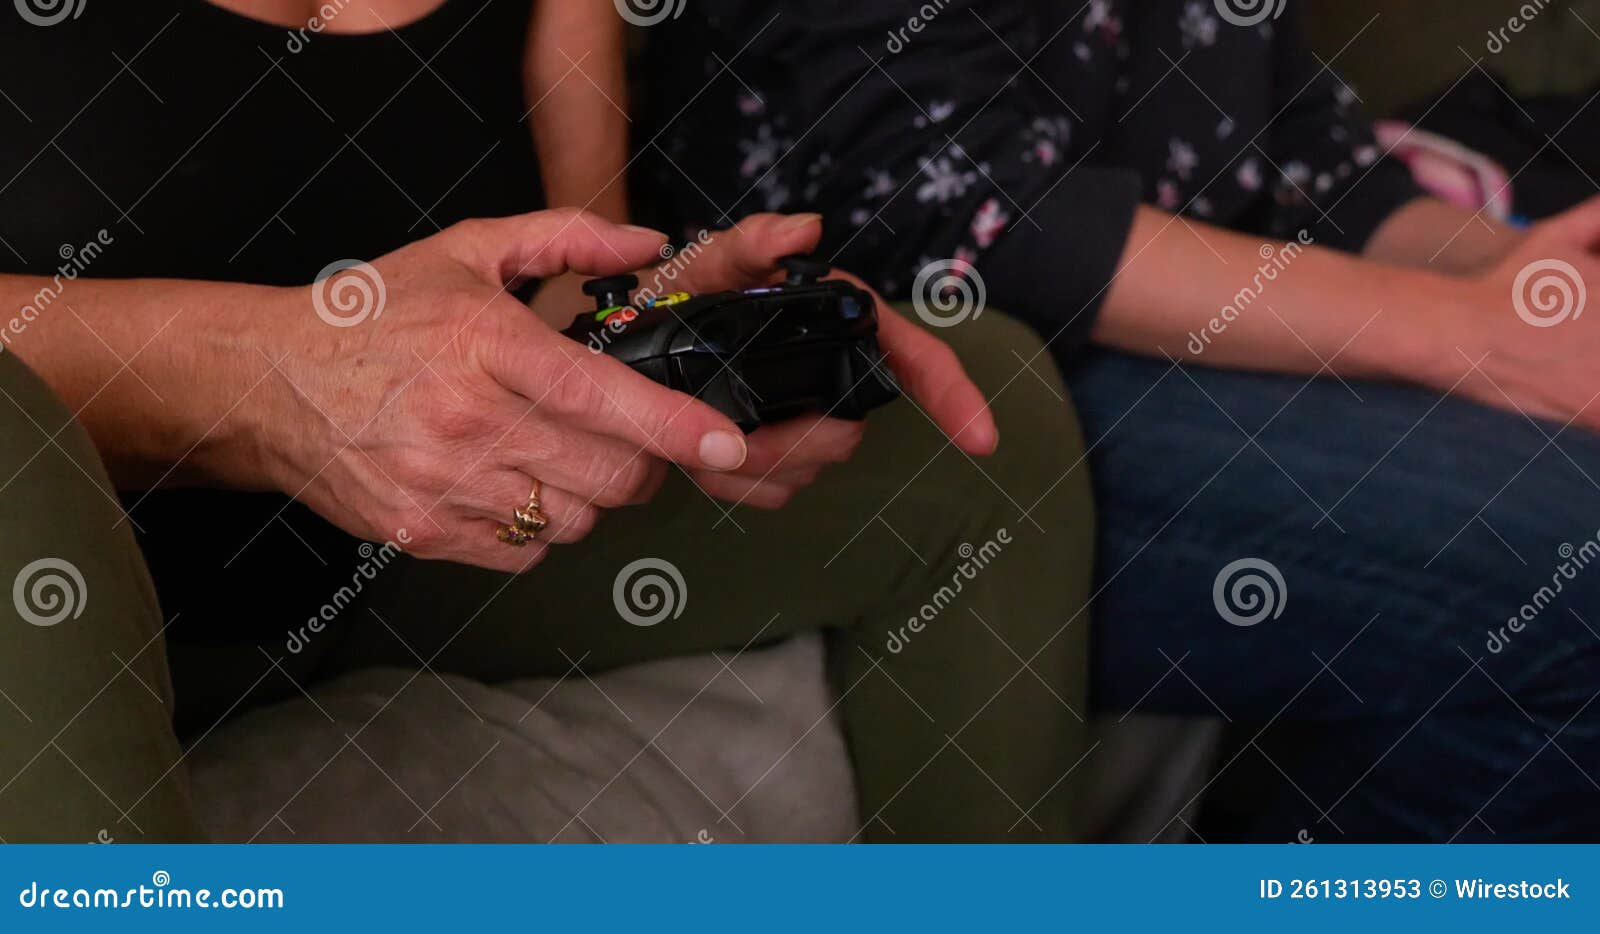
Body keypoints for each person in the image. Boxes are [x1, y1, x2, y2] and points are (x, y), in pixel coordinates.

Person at [0, 0, 1094, 842]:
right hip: (72, 607)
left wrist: (658, 348)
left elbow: (567, 274)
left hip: (398, 554)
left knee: (976, 415)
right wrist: (271, 383)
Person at [632, 0, 1600, 840]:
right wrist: (1468, 332)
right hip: (947, 378)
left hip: (1150, 345)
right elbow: (975, 216)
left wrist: (1544, 289)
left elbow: (1320, 168)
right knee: (1570, 562)